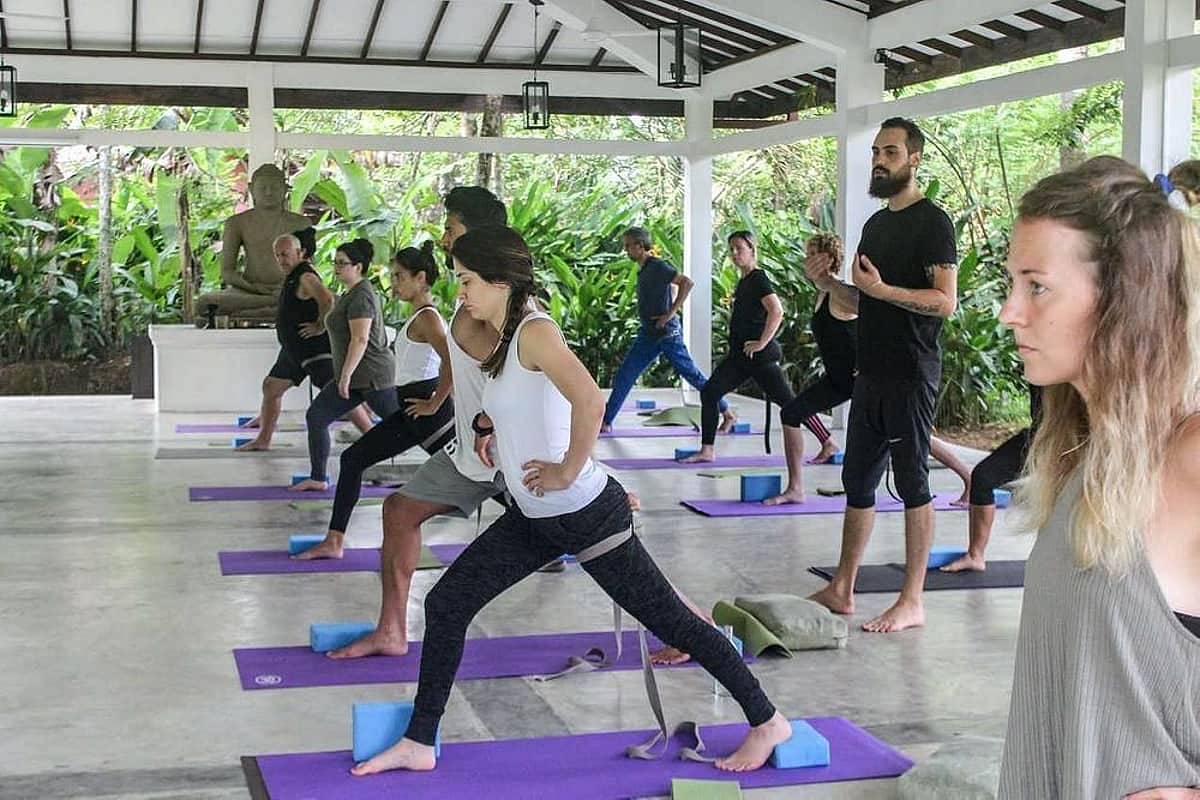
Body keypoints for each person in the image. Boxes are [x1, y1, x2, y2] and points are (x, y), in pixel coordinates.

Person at [349, 224, 792, 777]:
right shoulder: (504, 336)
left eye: (466, 282)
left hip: (583, 513)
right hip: (537, 517)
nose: (460, 293)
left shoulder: (534, 331)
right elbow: (519, 399)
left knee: (672, 620)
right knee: (446, 604)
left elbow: (588, 399)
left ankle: (768, 720)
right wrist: (488, 424)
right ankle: (419, 740)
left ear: (501, 281)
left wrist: (566, 469)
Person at [997, 156, 1200, 798]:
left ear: (1122, 297)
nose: (1010, 312)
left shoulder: (1191, 454)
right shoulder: (1090, 452)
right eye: (1012, 283)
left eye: (1037, 285)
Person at [326, 186, 517, 660]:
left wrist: (575, 463)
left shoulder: (509, 303)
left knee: (606, 551)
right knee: (399, 511)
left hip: (514, 453)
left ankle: (692, 629)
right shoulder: (468, 295)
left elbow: (551, 384)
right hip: (472, 449)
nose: (445, 236)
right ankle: (391, 630)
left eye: (451, 228)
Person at [807, 118, 959, 634]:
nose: (879, 159)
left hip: (910, 374)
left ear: (914, 159)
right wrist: (830, 284)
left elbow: (944, 302)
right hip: (868, 373)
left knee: (913, 482)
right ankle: (842, 587)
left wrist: (885, 292)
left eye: (890, 152)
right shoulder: (874, 226)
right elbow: (860, 305)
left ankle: (912, 600)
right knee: (857, 481)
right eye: (876, 151)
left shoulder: (933, 223)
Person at [764, 233, 972, 505]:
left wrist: (830, 282)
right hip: (837, 379)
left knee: (913, 434)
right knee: (791, 413)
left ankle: (969, 478)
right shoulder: (822, 293)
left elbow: (867, 306)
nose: (807, 260)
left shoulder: (838, 292)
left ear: (828, 259)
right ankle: (796, 487)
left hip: (860, 378)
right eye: (807, 254)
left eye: (813, 254)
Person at [295, 241, 456, 559]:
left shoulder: (429, 317)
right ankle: (334, 540)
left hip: (428, 415)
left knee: (478, 476)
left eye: (400, 277)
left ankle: (544, 529)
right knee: (352, 460)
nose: (394, 284)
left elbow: (452, 360)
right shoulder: (417, 316)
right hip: (411, 413)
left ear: (420, 278)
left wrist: (435, 403)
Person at [236, 228, 371, 451]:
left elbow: (328, 300)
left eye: (286, 254)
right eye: (278, 254)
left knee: (339, 394)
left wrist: (319, 326)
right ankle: (263, 440)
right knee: (271, 388)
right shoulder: (293, 276)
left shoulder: (305, 276)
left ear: (300, 253)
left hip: (312, 350)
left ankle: (375, 436)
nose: (281, 259)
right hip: (293, 350)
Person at [601, 227, 735, 432]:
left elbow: (686, 283)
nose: (625, 249)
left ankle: (727, 413)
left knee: (692, 375)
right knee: (626, 374)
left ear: (639, 246)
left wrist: (670, 313)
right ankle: (606, 421)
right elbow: (669, 288)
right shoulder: (645, 269)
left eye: (628, 245)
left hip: (666, 334)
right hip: (649, 333)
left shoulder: (657, 266)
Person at [291, 238, 400, 492]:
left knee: (408, 427)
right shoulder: (351, 294)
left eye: (343, 264)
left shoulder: (362, 296)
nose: (337, 268)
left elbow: (360, 339)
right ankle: (318, 477)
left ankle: (447, 459)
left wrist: (344, 376)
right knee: (316, 416)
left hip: (372, 376)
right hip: (354, 378)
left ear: (359, 267)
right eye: (336, 263)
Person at [682, 230, 796, 463]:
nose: (734, 253)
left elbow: (777, 311)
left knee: (791, 404)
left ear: (752, 250)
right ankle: (707, 450)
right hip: (741, 357)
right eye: (731, 249)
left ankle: (828, 441)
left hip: (758, 357)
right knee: (710, 392)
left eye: (740, 249)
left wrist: (762, 342)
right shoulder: (745, 280)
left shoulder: (758, 278)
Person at [939, 385, 1041, 573]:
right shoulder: (1036, 360)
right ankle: (975, 556)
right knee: (983, 478)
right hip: (1041, 435)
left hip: (1077, 438)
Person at [196, 163, 311, 318]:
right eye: (263, 188)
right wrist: (255, 288)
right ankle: (275, 310)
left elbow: (307, 266)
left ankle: (259, 312)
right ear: (251, 189)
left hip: (291, 289)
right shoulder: (237, 223)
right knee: (205, 302)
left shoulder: (300, 223)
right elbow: (227, 271)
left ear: (284, 189)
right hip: (250, 292)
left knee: (330, 300)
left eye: (275, 187)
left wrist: (291, 285)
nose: (268, 192)